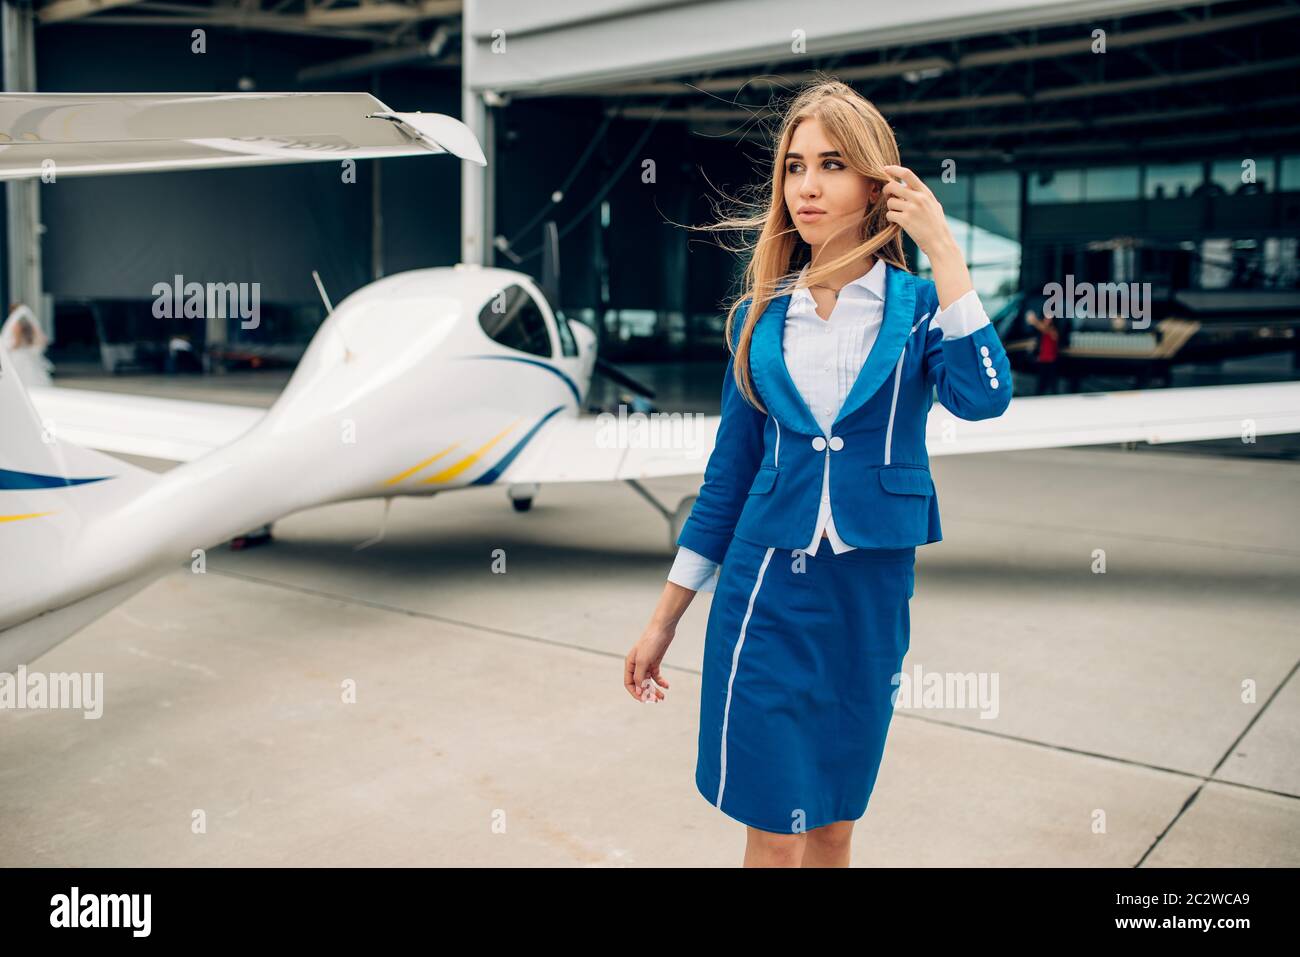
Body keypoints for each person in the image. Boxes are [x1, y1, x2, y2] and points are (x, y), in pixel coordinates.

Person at [624, 78, 1013, 867]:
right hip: (766, 592)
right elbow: (726, 481)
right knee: (773, 827)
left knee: (834, 820)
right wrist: (666, 618)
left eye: (832, 164)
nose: (807, 184)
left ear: (877, 183)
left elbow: (985, 397)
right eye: (795, 166)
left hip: (869, 593)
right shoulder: (759, 316)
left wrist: (945, 252)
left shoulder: (920, 306)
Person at [0, 302, 54, 387]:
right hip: (28, 354)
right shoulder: (30, 326)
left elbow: (17, 343)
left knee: (17, 377)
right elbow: (41, 340)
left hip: (19, 355)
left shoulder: (17, 325)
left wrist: (7, 348)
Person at [1024, 306, 1061, 395]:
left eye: (1049, 318)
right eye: (1046, 318)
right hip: (1042, 360)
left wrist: (1034, 321)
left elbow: (1046, 330)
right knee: (1041, 384)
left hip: (1052, 361)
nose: (1047, 320)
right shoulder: (1040, 332)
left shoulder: (1053, 330)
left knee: (1053, 385)